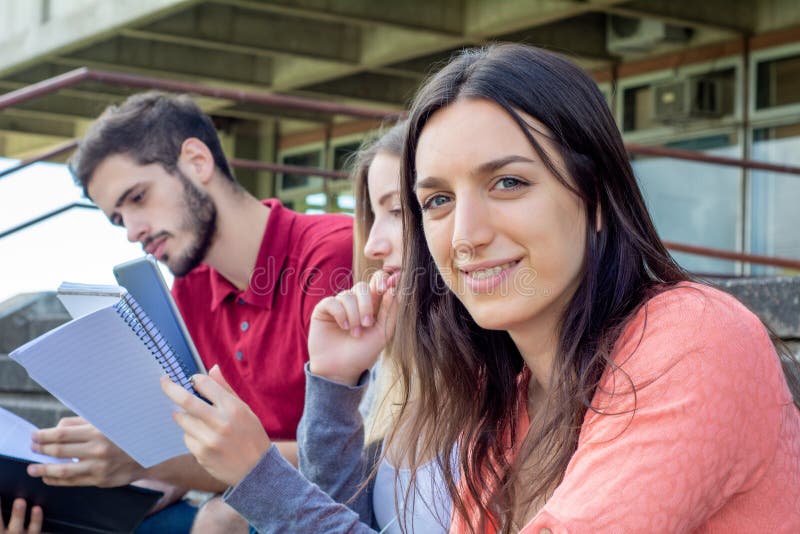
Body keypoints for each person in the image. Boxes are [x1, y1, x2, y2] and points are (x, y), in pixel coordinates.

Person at [166, 43, 800, 531]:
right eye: (437, 200)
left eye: (508, 183)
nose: (465, 235)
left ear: (598, 195)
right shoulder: (512, 395)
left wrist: (259, 476)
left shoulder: (693, 338)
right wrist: (332, 393)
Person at [24, 92, 353, 532]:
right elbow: (188, 455)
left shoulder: (331, 256)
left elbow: (353, 460)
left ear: (198, 162)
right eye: (119, 219)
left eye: (138, 198)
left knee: (221, 520)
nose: (133, 231)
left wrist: (150, 460)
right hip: (238, 502)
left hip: (323, 512)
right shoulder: (190, 290)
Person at [163, 122, 453, 533]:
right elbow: (346, 511)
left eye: (399, 211)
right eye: (375, 214)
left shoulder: (514, 391)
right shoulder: (400, 366)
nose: (371, 246)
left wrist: (257, 475)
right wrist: (333, 383)